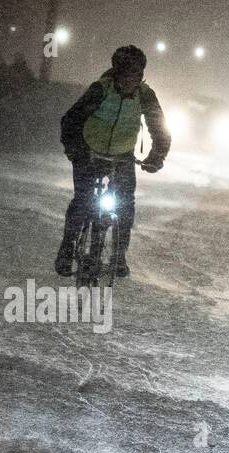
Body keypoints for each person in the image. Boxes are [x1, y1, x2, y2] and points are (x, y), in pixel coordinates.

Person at [55, 45, 170, 278]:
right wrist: (75, 149)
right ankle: (67, 248)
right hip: (89, 151)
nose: (131, 80)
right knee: (83, 200)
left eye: (137, 75)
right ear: (116, 72)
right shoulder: (100, 90)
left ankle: (118, 254)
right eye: (126, 74)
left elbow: (160, 130)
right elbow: (71, 120)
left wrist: (156, 157)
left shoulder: (145, 96)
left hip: (122, 155)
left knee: (125, 202)